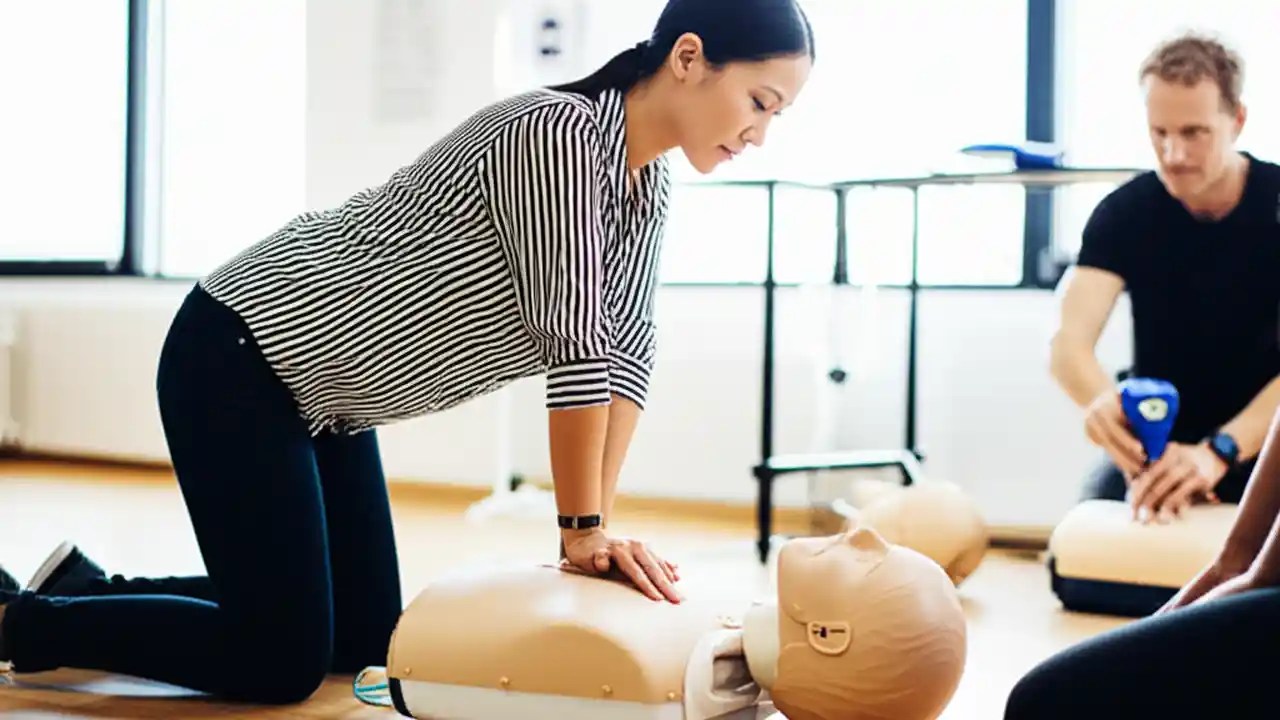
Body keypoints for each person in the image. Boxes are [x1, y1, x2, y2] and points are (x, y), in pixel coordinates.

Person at [0, 0, 814, 704]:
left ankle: (83, 592)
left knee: (361, 636)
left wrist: (598, 534)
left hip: (330, 402)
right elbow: (576, 350)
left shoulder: (646, 182)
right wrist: (580, 530)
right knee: (280, 660)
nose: (762, 133)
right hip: (241, 351)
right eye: (760, 101)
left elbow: (626, 353)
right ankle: (23, 624)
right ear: (688, 58)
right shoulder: (558, 133)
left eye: (778, 116)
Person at [1049, 31, 1280, 524]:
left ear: (1237, 121)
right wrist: (1102, 405)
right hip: (1161, 450)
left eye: (1194, 132)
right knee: (1081, 567)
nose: (1173, 154)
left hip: (1264, 446)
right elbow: (1066, 345)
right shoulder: (1123, 213)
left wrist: (1217, 451)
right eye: (1160, 133)